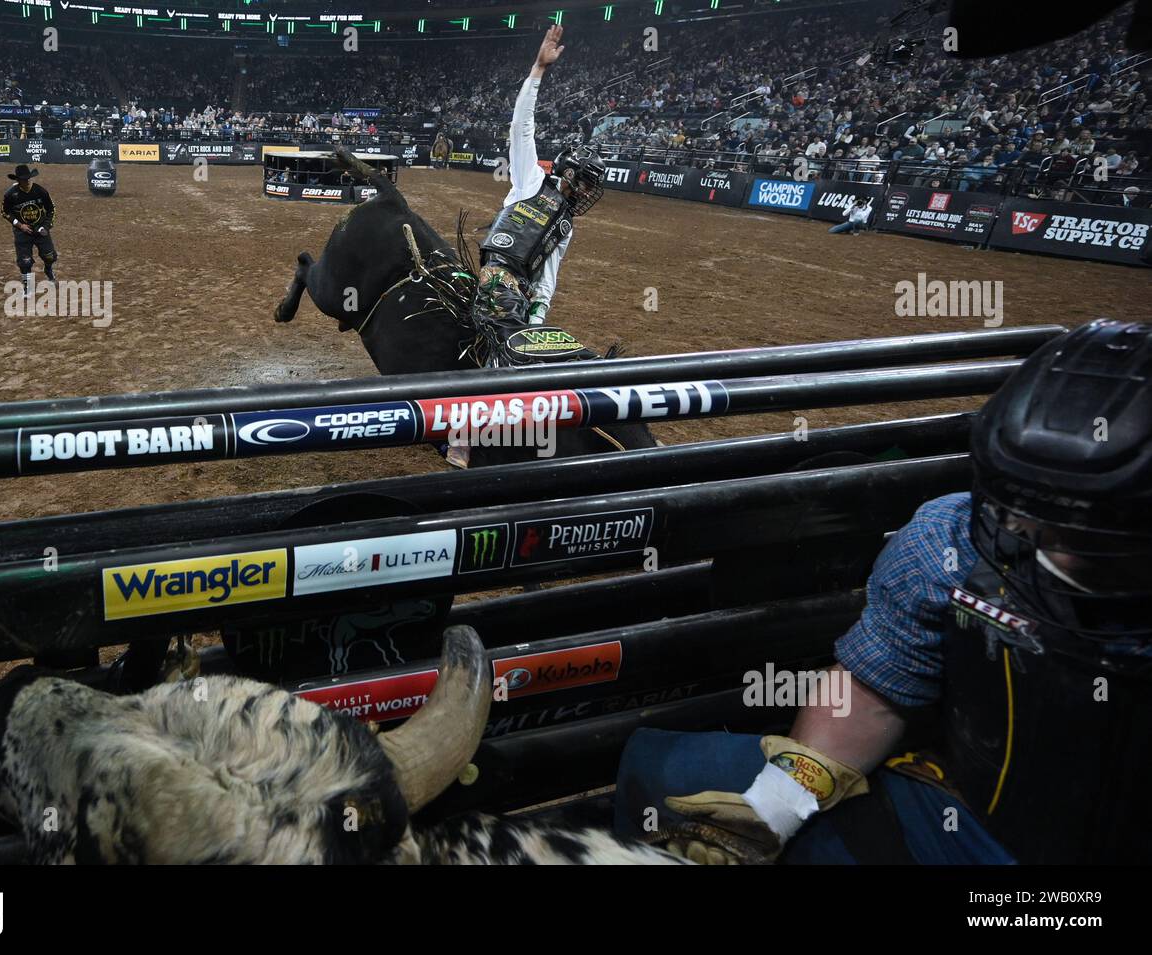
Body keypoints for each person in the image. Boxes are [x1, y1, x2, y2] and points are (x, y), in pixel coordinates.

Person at [614, 319, 1152, 864]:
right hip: (967, 821)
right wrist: (774, 805)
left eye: (1086, 525)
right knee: (658, 768)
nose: (1034, 539)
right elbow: (880, 683)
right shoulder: (951, 538)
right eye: (1024, 505)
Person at [470, 24, 607, 339]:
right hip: (498, 278)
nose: (587, 191)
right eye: (585, 182)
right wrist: (538, 69)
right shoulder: (531, 179)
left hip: (520, 290)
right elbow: (521, 125)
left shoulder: (565, 224)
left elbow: (549, 273)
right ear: (569, 173)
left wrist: (538, 316)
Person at [0, 163, 57, 297]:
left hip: (40, 228)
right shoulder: (10, 195)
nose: (26, 182)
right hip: (22, 231)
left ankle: (48, 269)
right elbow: (5, 212)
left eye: (28, 179)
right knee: (24, 262)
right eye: (23, 179)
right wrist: (20, 225)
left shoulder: (40, 191)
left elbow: (51, 209)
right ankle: (28, 287)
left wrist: (45, 226)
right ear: (18, 180)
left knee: (50, 256)